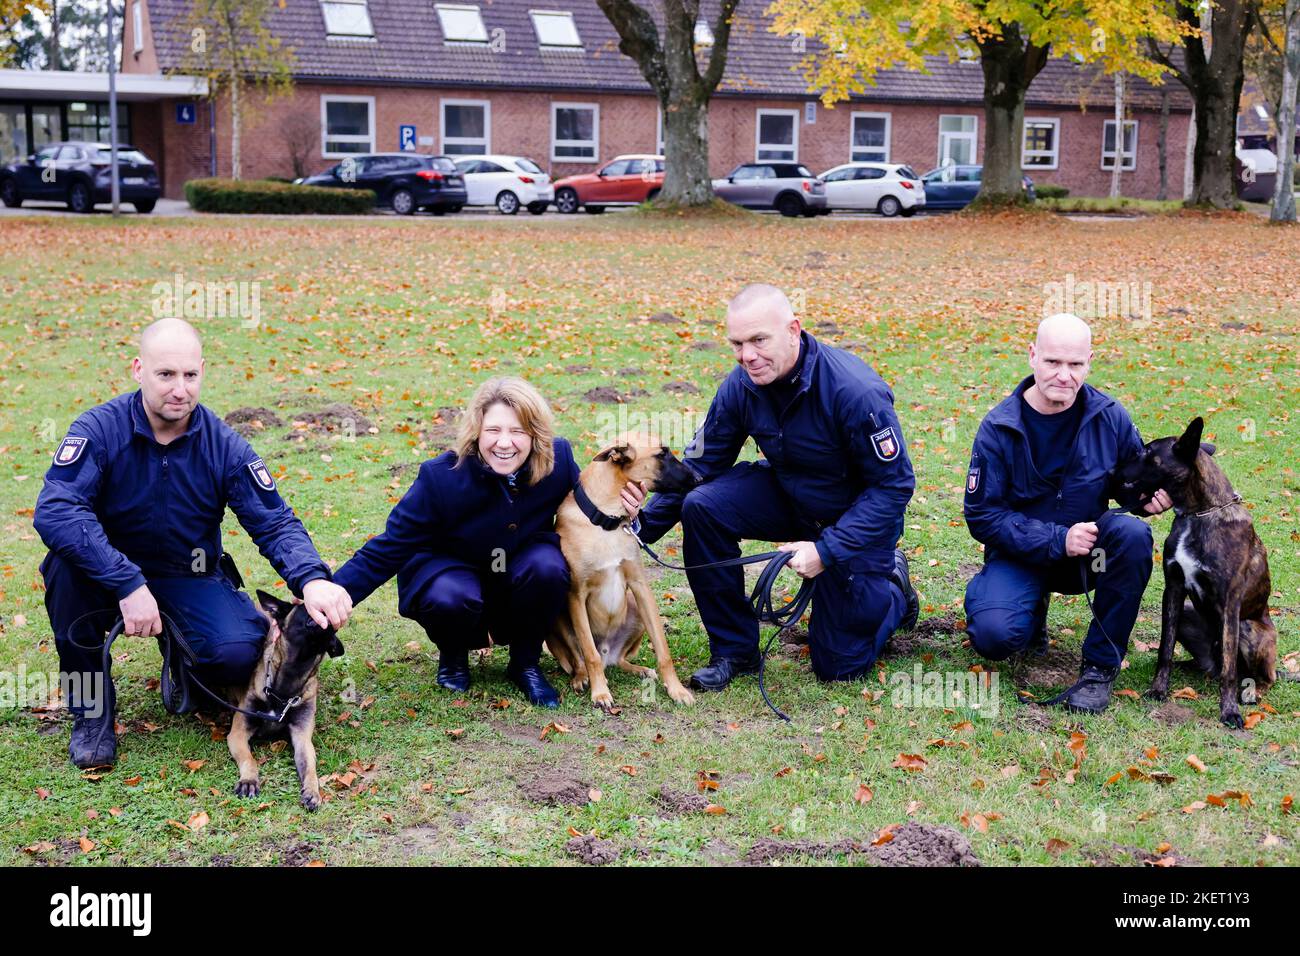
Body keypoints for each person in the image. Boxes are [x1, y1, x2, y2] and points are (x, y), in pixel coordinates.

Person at [34, 318, 353, 769]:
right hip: (108, 571)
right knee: (65, 572)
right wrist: (126, 582)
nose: (179, 389)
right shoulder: (99, 429)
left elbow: (274, 521)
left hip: (189, 572)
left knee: (238, 651)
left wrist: (313, 579)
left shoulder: (224, 445)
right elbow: (56, 509)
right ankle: (91, 713)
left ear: (202, 371)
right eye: (166, 375)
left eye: (190, 375)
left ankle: (183, 664)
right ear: (138, 369)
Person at [632, 283, 919, 690]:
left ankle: (894, 585)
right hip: (792, 498)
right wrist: (638, 529)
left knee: (838, 666)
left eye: (758, 340)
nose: (747, 355)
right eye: (737, 343)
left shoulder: (854, 392)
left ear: (793, 330)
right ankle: (734, 649)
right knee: (702, 505)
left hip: (854, 520)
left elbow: (893, 488)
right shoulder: (742, 384)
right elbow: (700, 465)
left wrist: (828, 550)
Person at [333, 377, 602, 708]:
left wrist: (632, 513)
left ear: (535, 434)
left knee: (547, 567)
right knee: (450, 595)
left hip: (519, 569)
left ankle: (525, 663)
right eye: (494, 430)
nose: (505, 443)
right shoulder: (442, 476)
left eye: (518, 431)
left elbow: (590, 507)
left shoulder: (557, 459)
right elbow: (388, 548)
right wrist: (329, 596)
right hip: (454, 570)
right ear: (477, 431)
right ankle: (454, 655)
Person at [962, 313, 1171, 712]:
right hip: (1022, 555)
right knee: (994, 636)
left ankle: (1099, 668)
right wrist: (1057, 539)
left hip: (1088, 555)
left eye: (1075, 364)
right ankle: (1024, 613)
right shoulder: (999, 427)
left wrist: (1148, 500)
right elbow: (983, 515)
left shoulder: (1109, 416)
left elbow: (1129, 481)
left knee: (1130, 536)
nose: (1064, 375)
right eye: (1053, 362)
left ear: (1089, 361)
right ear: (1032, 356)